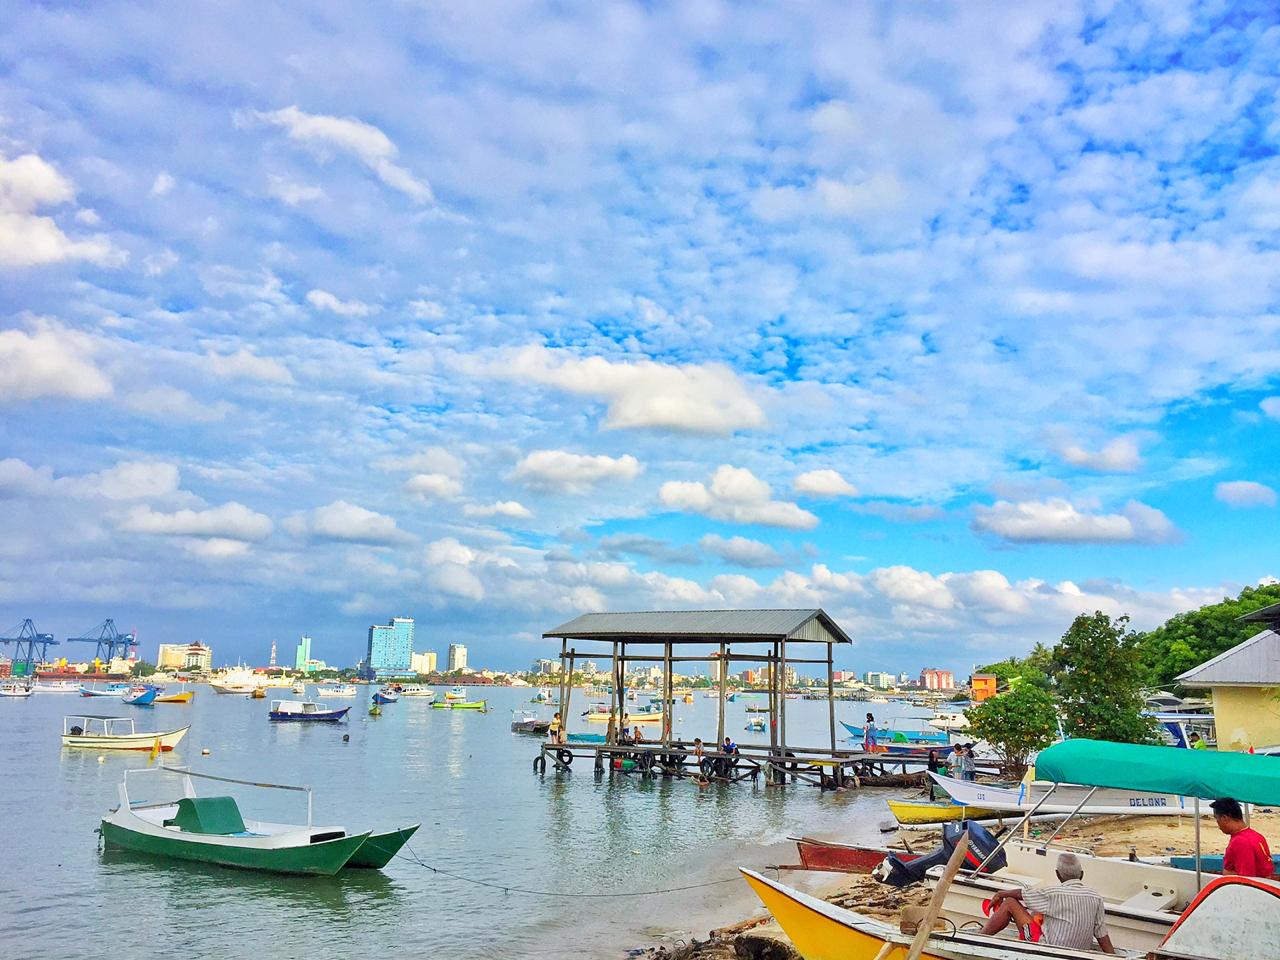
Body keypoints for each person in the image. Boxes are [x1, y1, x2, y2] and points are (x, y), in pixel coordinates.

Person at [980, 853, 1116, 954]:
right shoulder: (1095, 897)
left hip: (1047, 950)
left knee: (1010, 903)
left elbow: (1022, 894)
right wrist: (1112, 956)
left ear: (1058, 875)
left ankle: (979, 938)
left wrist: (1000, 894)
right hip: (1079, 954)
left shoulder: (1053, 894)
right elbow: (1101, 935)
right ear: (1081, 874)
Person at [1212, 798, 1274, 878]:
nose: (1218, 825)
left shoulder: (1240, 842)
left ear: (1225, 818)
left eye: (1217, 820)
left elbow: (1246, 879)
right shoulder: (1257, 836)